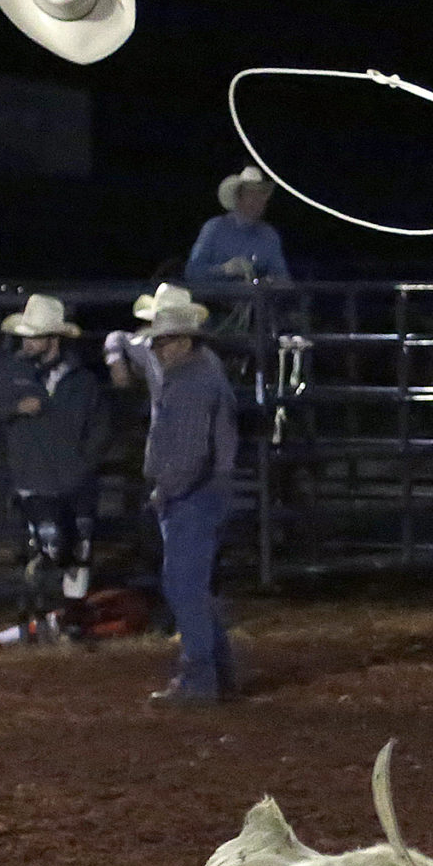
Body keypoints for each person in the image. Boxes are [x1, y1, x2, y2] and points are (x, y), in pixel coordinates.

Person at [106, 286, 238, 704]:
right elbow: (123, 340)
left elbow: (191, 455)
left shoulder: (191, 382)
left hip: (192, 494)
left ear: (182, 341)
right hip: (201, 492)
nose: (156, 349)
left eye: (162, 341)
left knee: (184, 585)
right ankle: (216, 672)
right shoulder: (195, 366)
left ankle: (200, 678)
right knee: (193, 585)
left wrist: (165, 490)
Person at [0, 294, 112, 638]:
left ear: (53, 338)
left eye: (34, 336)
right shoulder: (9, 372)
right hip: (33, 479)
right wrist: (14, 409)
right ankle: (43, 615)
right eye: (26, 336)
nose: (27, 342)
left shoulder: (82, 380)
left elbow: (100, 428)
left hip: (72, 480)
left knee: (78, 550)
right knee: (47, 548)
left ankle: (69, 618)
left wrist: (83, 464)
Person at [187, 167, 293, 286]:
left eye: (261, 195)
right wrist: (224, 269)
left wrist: (266, 282)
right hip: (214, 297)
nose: (257, 200)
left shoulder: (269, 236)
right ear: (237, 197)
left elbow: (283, 280)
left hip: (254, 297)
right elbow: (192, 272)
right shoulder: (214, 228)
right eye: (250, 194)